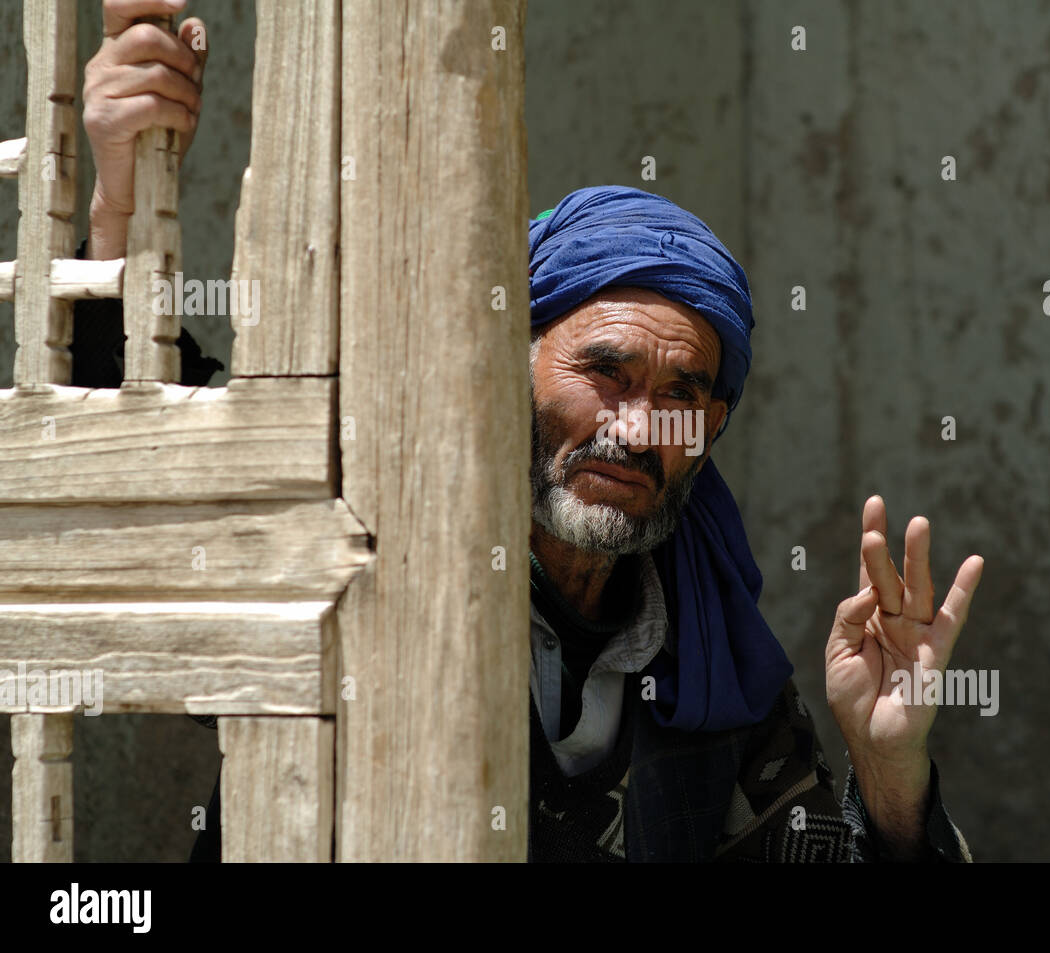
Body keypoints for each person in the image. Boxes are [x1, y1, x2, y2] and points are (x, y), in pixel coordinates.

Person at [78, 0, 985, 863]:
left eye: (681, 393)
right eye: (606, 372)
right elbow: (139, 472)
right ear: (503, 367)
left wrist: (887, 764)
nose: (637, 428)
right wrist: (120, 208)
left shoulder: (711, 652)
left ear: (711, 425)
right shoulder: (368, 527)